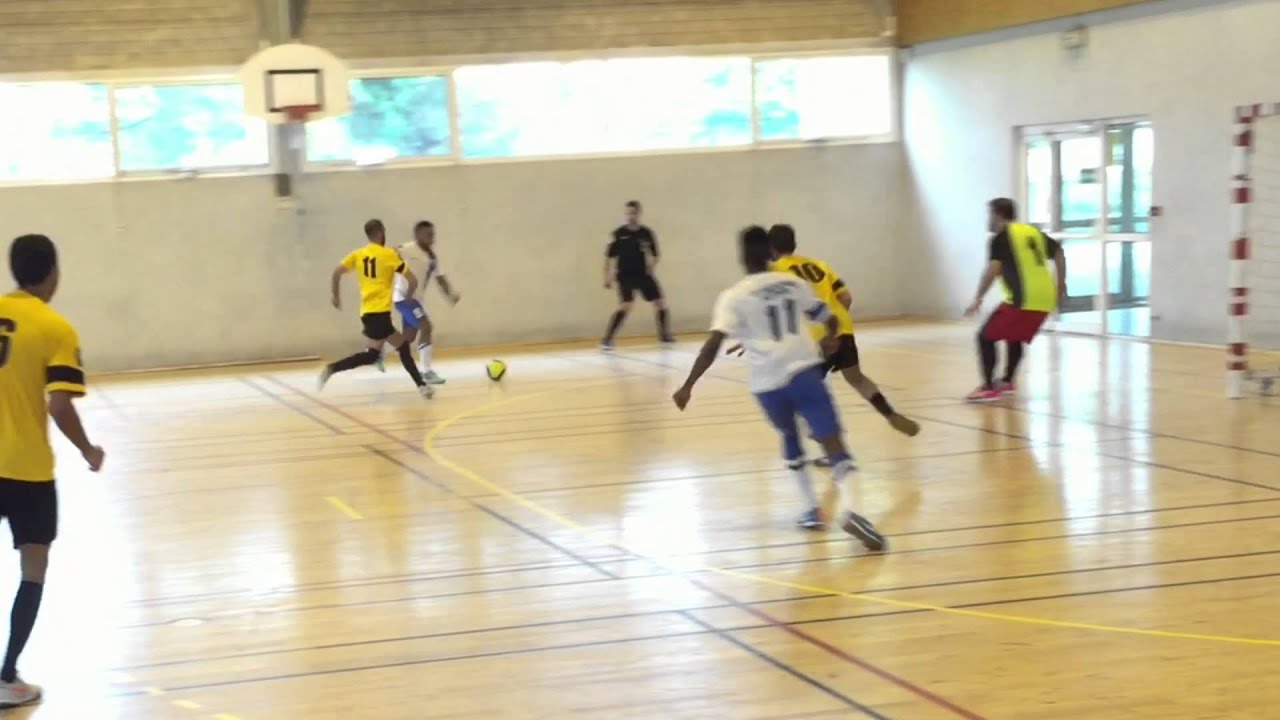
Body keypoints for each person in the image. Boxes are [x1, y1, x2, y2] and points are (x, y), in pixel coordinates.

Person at [672, 226, 885, 550]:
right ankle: (852, 510)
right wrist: (830, 338)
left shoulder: (734, 296)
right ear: (771, 254)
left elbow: (713, 344)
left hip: (767, 383)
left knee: (789, 436)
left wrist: (688, 384)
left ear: (743, 257)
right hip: (803, 371)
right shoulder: (794, 284)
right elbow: (830, 315)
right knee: (833, 444)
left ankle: (812, 510)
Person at [0, 234, 104, 707]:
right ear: (53, 272)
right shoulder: (55, 327)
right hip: (25, 468)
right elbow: (59, 404)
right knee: (33, 566)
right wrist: (88, 449)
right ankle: (6, 677)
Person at [767, 224, 920, 440]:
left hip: (814, 340)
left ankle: (829, 439)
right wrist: (837, 325)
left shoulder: (775, 272)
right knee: (856, 378)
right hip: (842, 329)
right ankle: (889, 412)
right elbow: (846, 297)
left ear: (771, 247)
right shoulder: (819, 265)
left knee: (804, 392)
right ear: (794, 243)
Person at [963, 198, 1067, 401]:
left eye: (990, 214)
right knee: (1015, 336)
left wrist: (978, 298)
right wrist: (1060, 283)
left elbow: (993, 270)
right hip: (1045, 299)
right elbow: (1059, 253)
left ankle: (988, 386)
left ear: (999, 214)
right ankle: (1008, 381)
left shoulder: (1001, 238)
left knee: (985, 336)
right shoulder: (1031, 232)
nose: (988, 220)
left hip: (1023, 299)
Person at [319, 219, 431, 398]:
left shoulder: (358, 254)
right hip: (380, 313)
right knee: (402, 348)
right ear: (380, 233)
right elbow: (413, 280)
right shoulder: (388, 254)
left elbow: (337, 272)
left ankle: (332, 368)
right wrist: (409, 296)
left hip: (367, 313)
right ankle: (422, 386)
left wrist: (336, 296)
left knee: (371, 355)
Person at [391, 221, 460, 384]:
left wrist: (450, 294)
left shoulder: (432, 257)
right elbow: (387, 255)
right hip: (404, 298)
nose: (432, 237)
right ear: (418, 235)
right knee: (426, 326)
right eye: (428, 234)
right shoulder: (406, 249)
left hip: (415, 300)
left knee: (408, 337)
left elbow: (440, 278)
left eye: (433, 234)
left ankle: (377, 352)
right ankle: (426, 372)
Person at [601, 200, 675, 349]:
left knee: (660, 303)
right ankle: (607, 339)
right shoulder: (618, 234)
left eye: (633, 213)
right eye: (628, 213)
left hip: (643, 274)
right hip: (624, 274)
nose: (630, 216)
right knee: (626, 305)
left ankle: (664, 336)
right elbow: (608, 257)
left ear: (639, 213)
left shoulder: (646, 233)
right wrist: (607, 276)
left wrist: (651, 266)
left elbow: (656, 254)